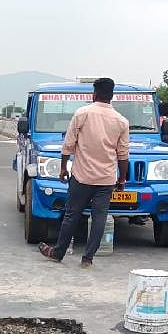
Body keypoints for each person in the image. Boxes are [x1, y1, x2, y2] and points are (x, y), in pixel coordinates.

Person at [38, 77, 129, 268]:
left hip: (81, 176)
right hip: (106, 179)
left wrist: (63, 167)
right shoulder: (121, 121)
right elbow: (122, 154)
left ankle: (58, 252)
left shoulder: (82, 113)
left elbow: (69, 144)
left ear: (94, 94)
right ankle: (88, 258)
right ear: (112, 96)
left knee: (72, 215)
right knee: (99, 218)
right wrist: (121, 178)